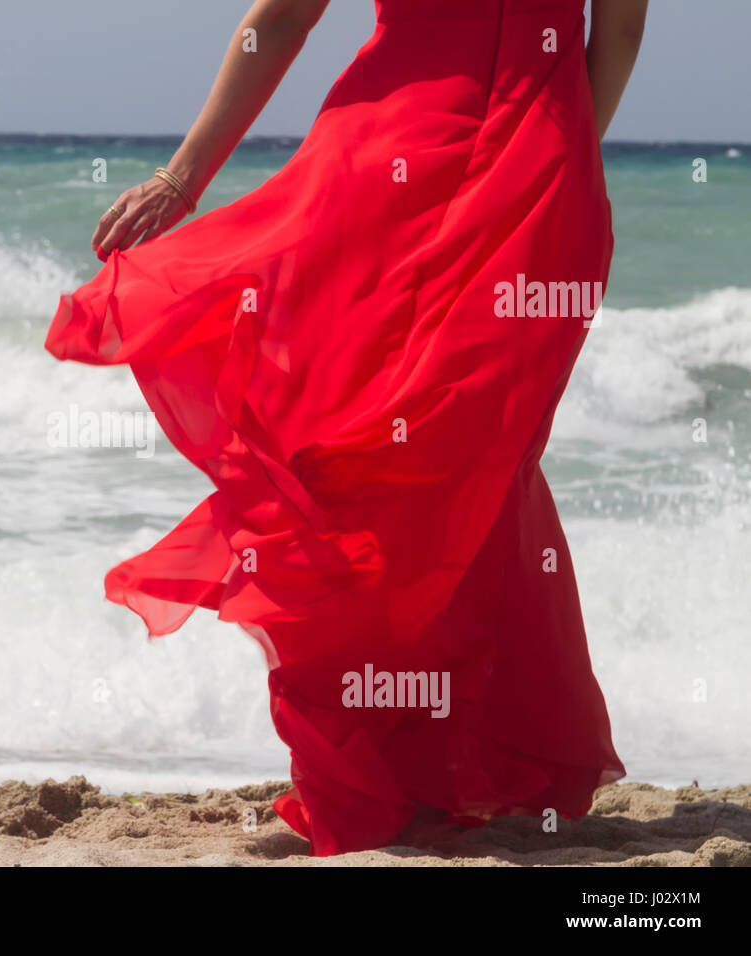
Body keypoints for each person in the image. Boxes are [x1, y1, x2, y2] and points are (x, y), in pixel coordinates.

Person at [45, 0, 646, 856]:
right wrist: (557, 149)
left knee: (347, 447)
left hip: (381, 161)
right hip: (539, 180)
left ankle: (377, 760)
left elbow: (281, 20)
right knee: (476, 465)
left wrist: (182, 179)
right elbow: (618, 32)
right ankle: (441, 761)